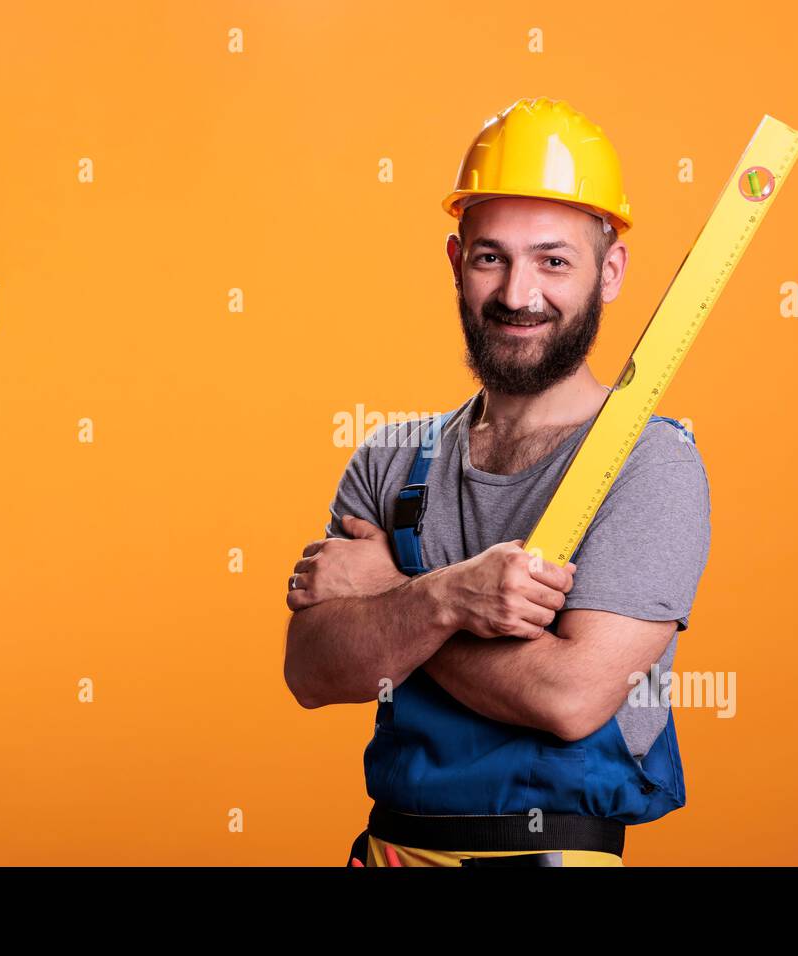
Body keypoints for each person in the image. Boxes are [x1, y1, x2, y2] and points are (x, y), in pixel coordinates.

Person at [283, 97, 712, 867]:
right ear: (457, 262)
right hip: (387, 853)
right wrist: (448, 597)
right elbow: (313, 672)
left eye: (553, 259)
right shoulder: (393, 456)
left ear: (609, 273)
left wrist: (397, 595)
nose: (519, 295)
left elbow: (569, 698)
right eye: (492, 257)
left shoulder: (652, 463)